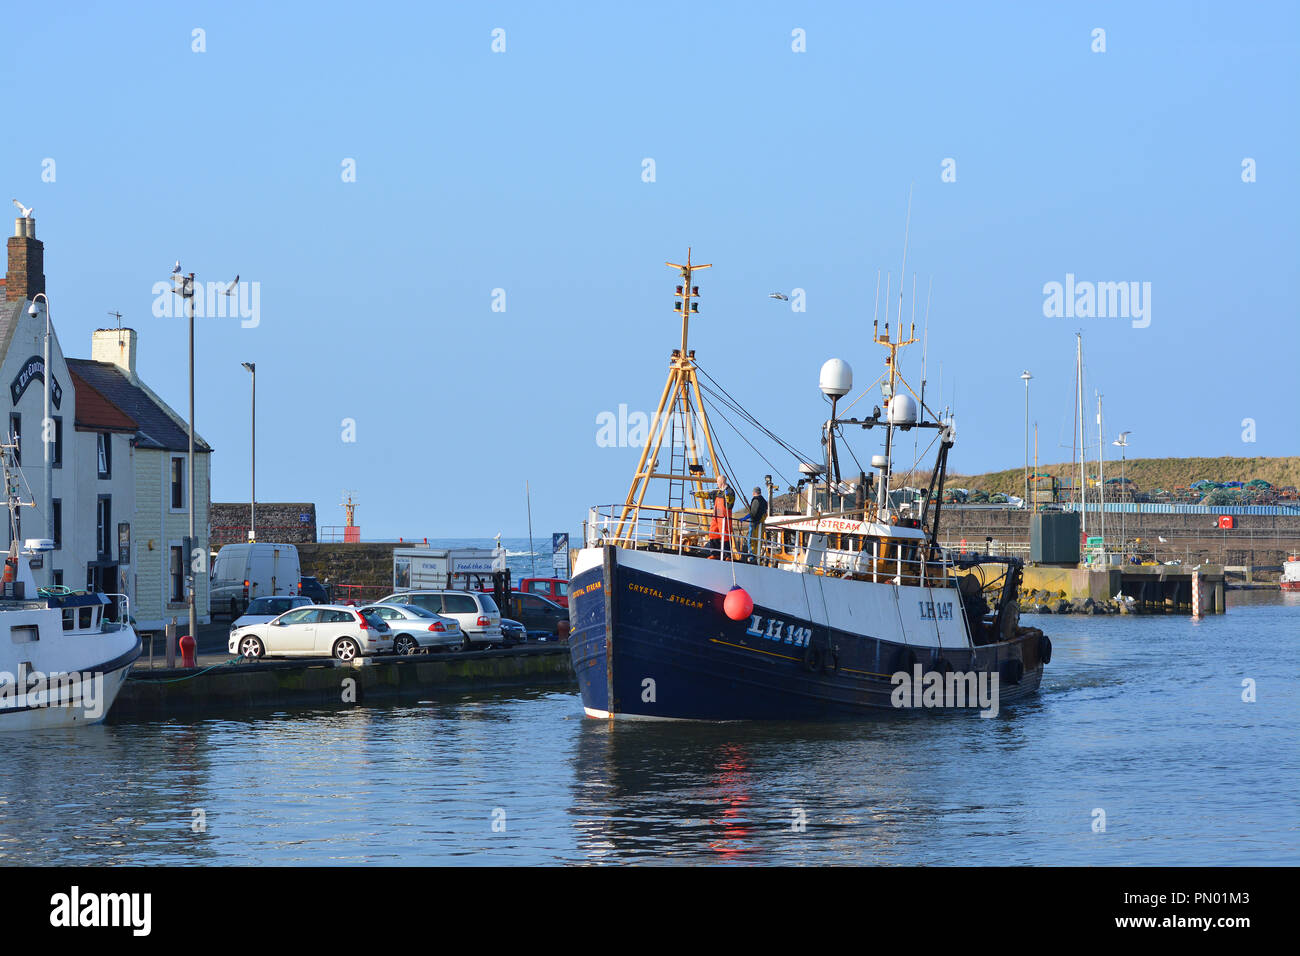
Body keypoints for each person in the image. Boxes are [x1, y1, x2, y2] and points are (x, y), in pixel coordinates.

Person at [707, 475, 733, 559]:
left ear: (721, 482)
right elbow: (708, 495)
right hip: (716, 515)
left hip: (724, 516)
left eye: (718, 482)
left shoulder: (729, 491)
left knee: (725, 534)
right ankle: (715, 553)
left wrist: (727, 496)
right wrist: (697, 494)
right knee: (713, 532)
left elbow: (730, 503)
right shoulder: (717, 491)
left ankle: (727, 555)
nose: (717, 483)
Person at [744, 486, 768, 559]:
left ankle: (752, 556)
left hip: (755, 523)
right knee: (759, 540)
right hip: (761, 523)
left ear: (754, 492)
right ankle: (757, 555)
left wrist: (744, 518)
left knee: (751, 540)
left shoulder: (756, 500)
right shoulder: (764, 501)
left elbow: (753, 513)